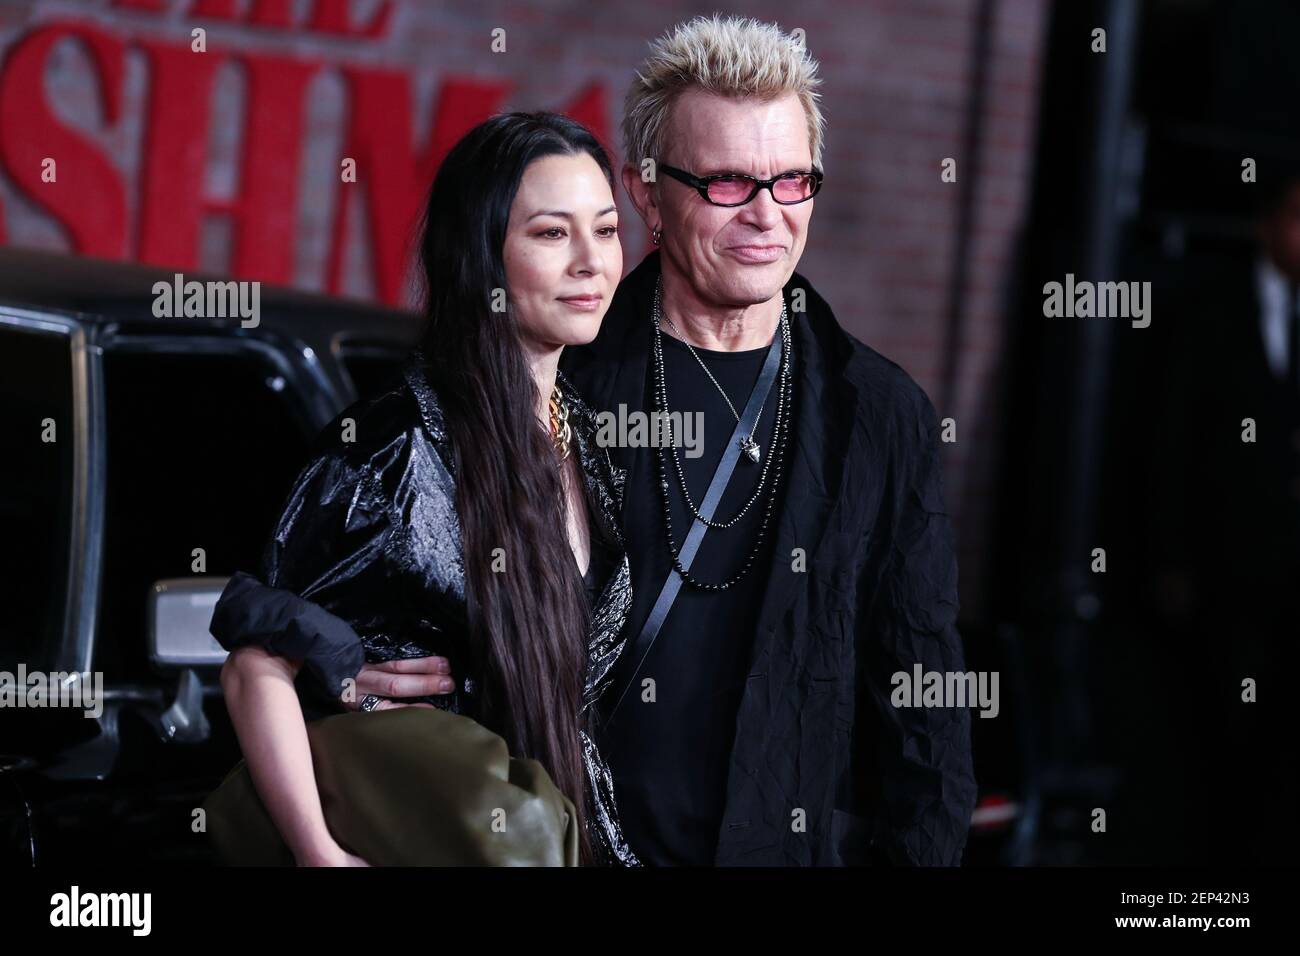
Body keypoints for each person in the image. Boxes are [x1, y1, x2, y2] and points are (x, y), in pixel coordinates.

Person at [256, 14, 978, 867]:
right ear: (646, 194)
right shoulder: (556, 377)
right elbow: (369, 607)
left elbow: (922, 714)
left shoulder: (878, 413)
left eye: (792, 181)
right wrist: (341, 672)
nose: (765, 216)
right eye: (726, 183)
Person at [207, 110, 639, 866]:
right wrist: (322, 856)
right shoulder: (391, 451)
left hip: (561, 836)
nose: (591, 262)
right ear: (480, 258)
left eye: (604, 230)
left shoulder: (593, 444)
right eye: (550, 233)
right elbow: (256, 662)